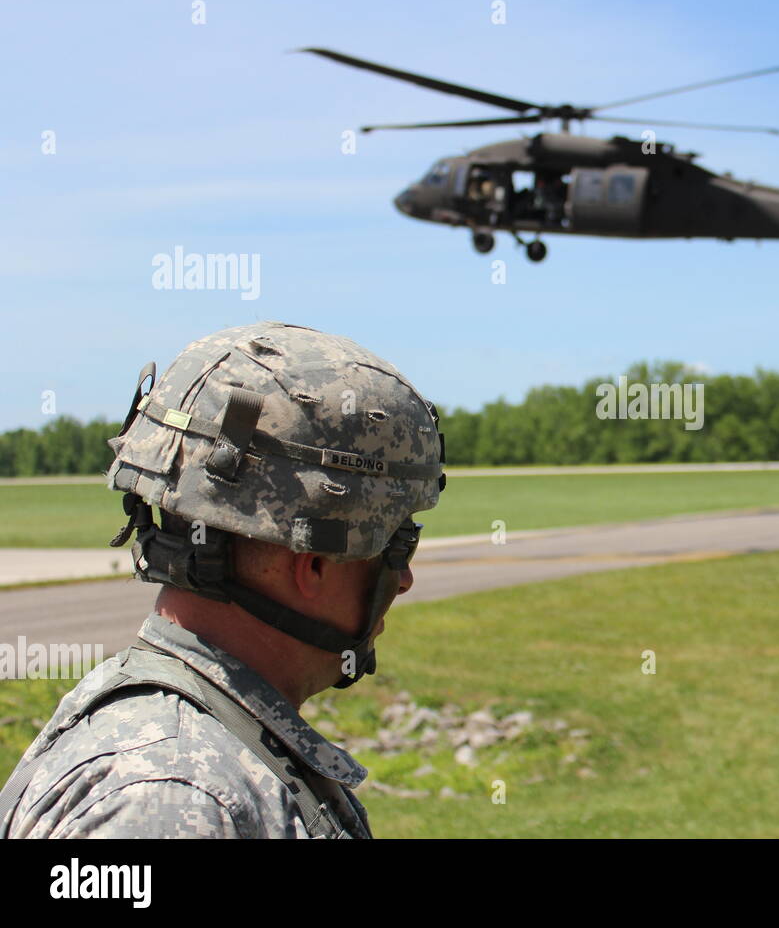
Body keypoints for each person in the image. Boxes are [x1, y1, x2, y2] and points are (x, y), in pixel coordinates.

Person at [0, 321, 445, 838]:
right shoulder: (175, 795)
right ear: (316, 564)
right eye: (399, 545)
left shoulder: (200, 753)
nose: (406, 579)